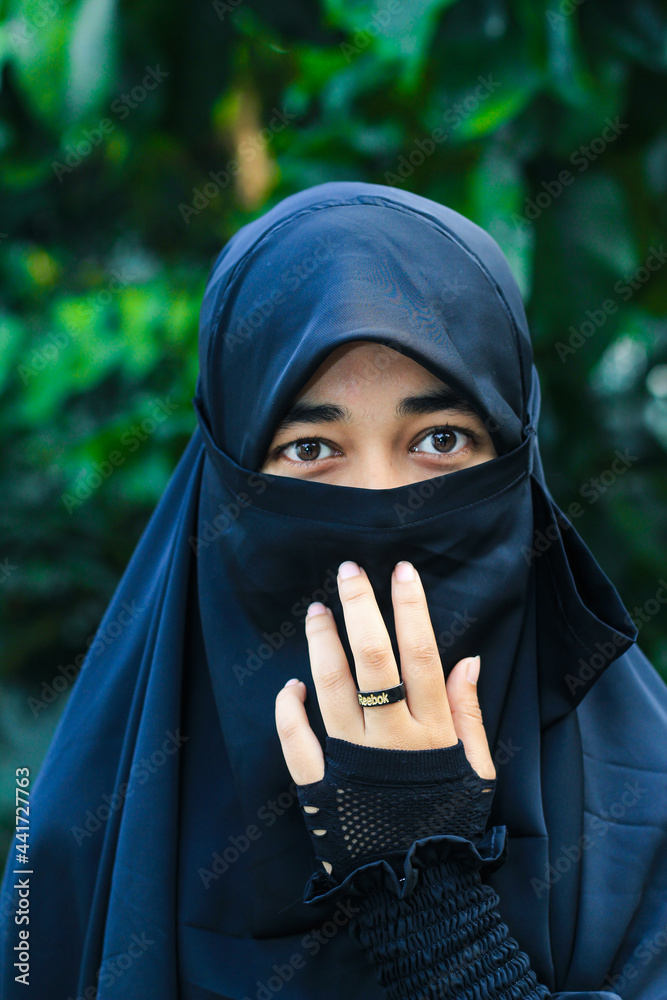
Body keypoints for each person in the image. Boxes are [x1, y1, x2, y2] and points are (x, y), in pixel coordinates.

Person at [0, 181, 665, 1000]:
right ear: (227, 477)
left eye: (440, 439)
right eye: (311, 448)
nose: (378, 503)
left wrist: (434, 914)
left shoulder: (644, 810)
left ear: (514, 456)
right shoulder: (82, 838)